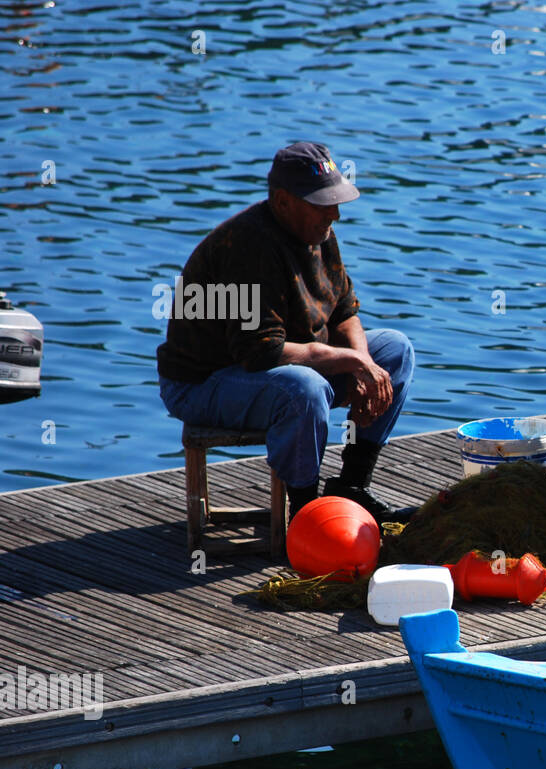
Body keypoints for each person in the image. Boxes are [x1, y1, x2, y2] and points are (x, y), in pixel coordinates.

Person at [157, 141, 415, 524]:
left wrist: (363, 366)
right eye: (322, 203)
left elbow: (345, 312)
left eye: (336, 202)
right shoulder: (245, 246)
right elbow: (261, 352)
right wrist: (355, 362)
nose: (335, 214)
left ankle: (352, 486)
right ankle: (308, 513)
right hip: (203, 382)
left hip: (278, 363)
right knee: (304, 388)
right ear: (282, 202)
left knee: (395, 350)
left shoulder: (319, 233)